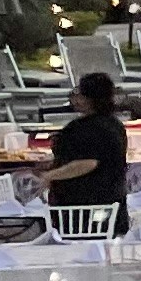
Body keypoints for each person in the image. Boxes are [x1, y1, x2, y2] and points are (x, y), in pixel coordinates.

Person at [43, 70, 131, 209]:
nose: (75, 98)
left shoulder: (89, 128)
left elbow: (86, 163)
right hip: (111, 200)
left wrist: (49, 176)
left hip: (86, 204)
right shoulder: (114, 124)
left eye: (78, 93)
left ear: (89, 98)